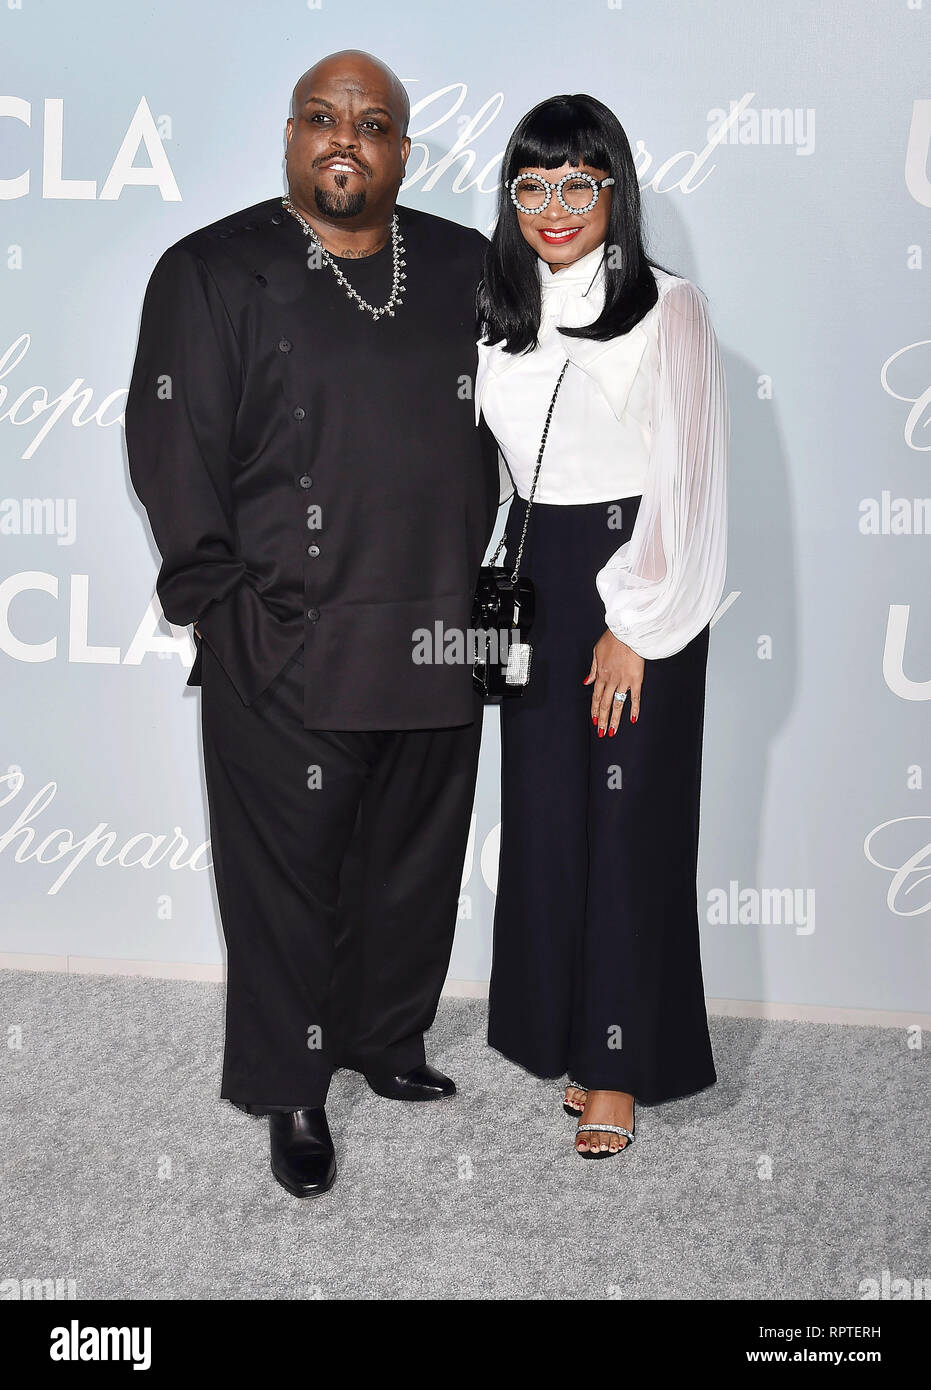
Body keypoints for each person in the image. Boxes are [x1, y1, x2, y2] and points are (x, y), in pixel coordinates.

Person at [125, 50, 500, 1198]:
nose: (348, 138)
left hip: (440, 621)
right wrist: (222, 609)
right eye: (323, 118)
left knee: (414, 859)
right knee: (284, 879)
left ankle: (385, 1040)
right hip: (285, 629)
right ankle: (290, 1087)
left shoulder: (464, 264)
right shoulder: (210, 270)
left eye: (374, 123)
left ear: (401, 149)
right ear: (290, 135)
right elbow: (170, 457)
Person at [475, 93, 728, 1158]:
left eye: (577, 183)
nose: (554, 207)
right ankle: (558, 1038)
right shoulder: (495, 309)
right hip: (531, 577)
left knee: (629, 828)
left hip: (638, 573)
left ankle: (619, 1067)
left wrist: (639, 620)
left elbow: (692, 480)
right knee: (543, 823)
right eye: (532, 185)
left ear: (613, 190)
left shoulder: (669, 306)